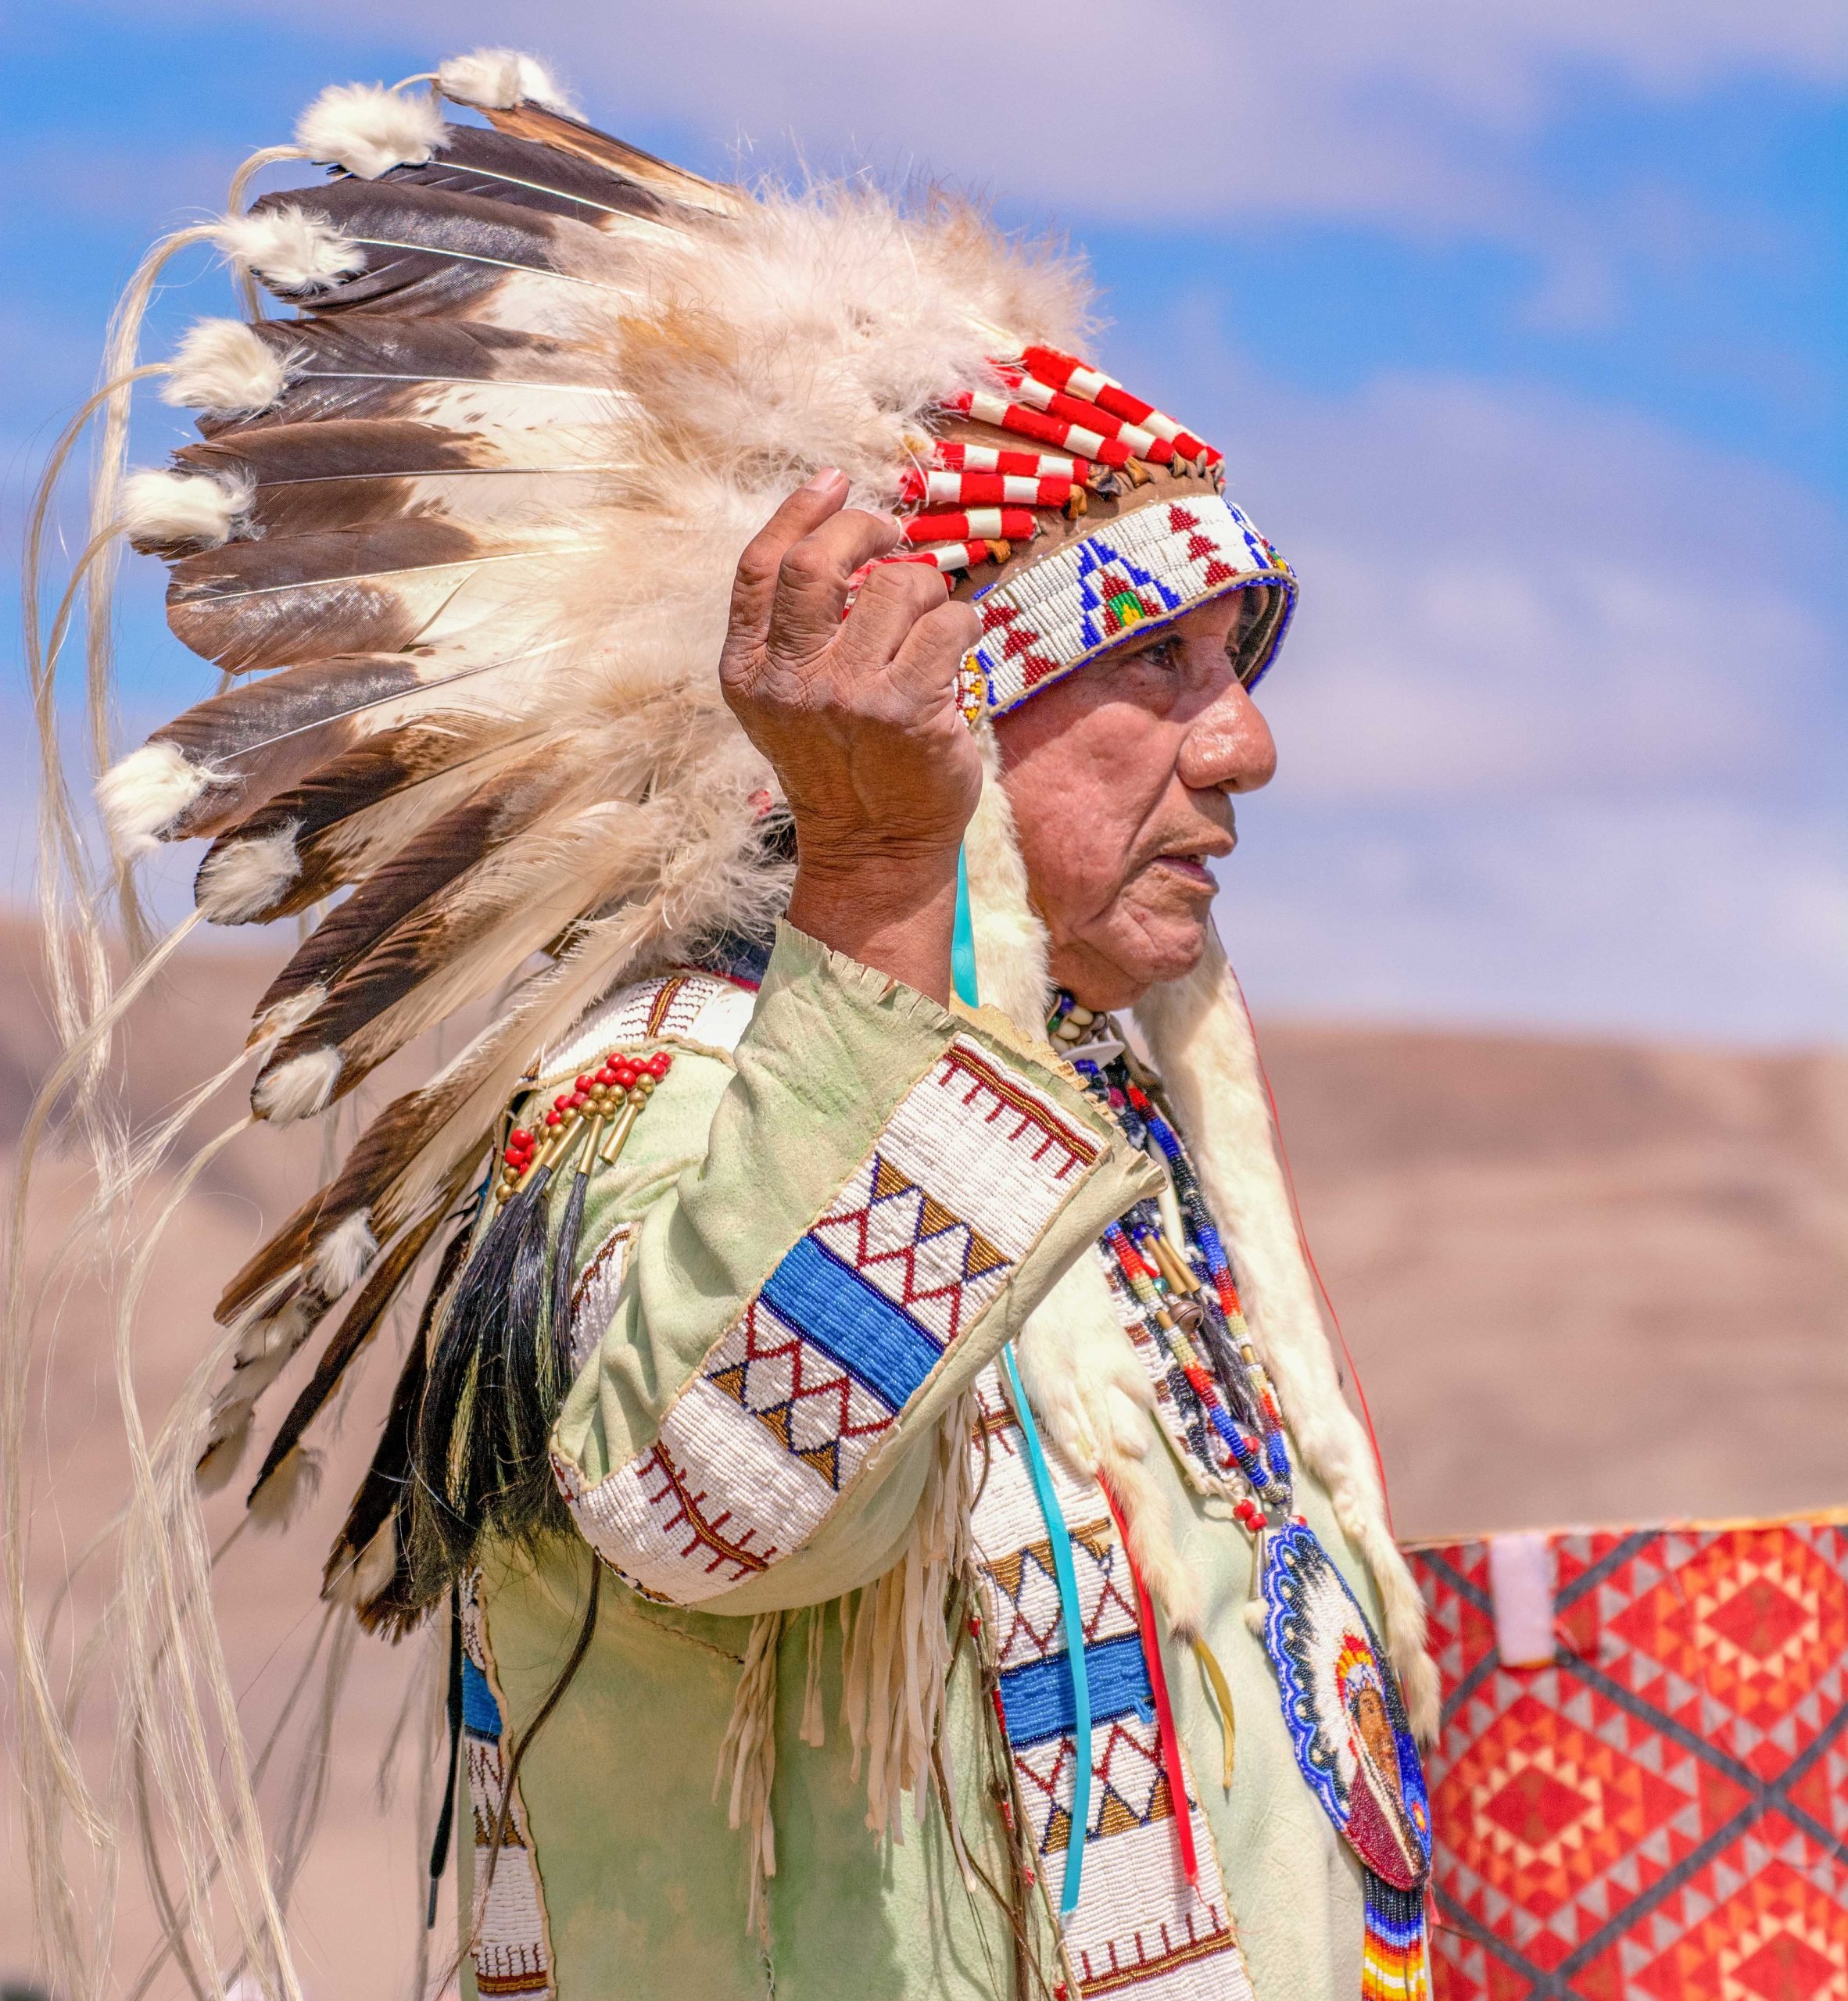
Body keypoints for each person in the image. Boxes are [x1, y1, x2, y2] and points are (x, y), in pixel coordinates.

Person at [21, 45, 1439, 2001]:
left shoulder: (1119, 1126)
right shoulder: (655, 1094)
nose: (1247, 744)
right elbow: (719, 1497)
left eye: (1238, 663)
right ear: (934, 715)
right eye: (1159, 663)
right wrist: (876, 871)